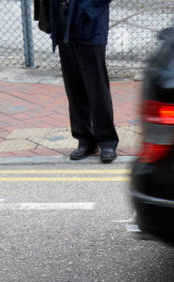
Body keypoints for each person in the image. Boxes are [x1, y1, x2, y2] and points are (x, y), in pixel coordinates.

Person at [36, 0, 118, 162]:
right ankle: (85, 139)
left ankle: (107, 140)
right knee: (74, 87)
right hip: (62, 22)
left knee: (96, 88)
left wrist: (86, 10)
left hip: (88, 24)